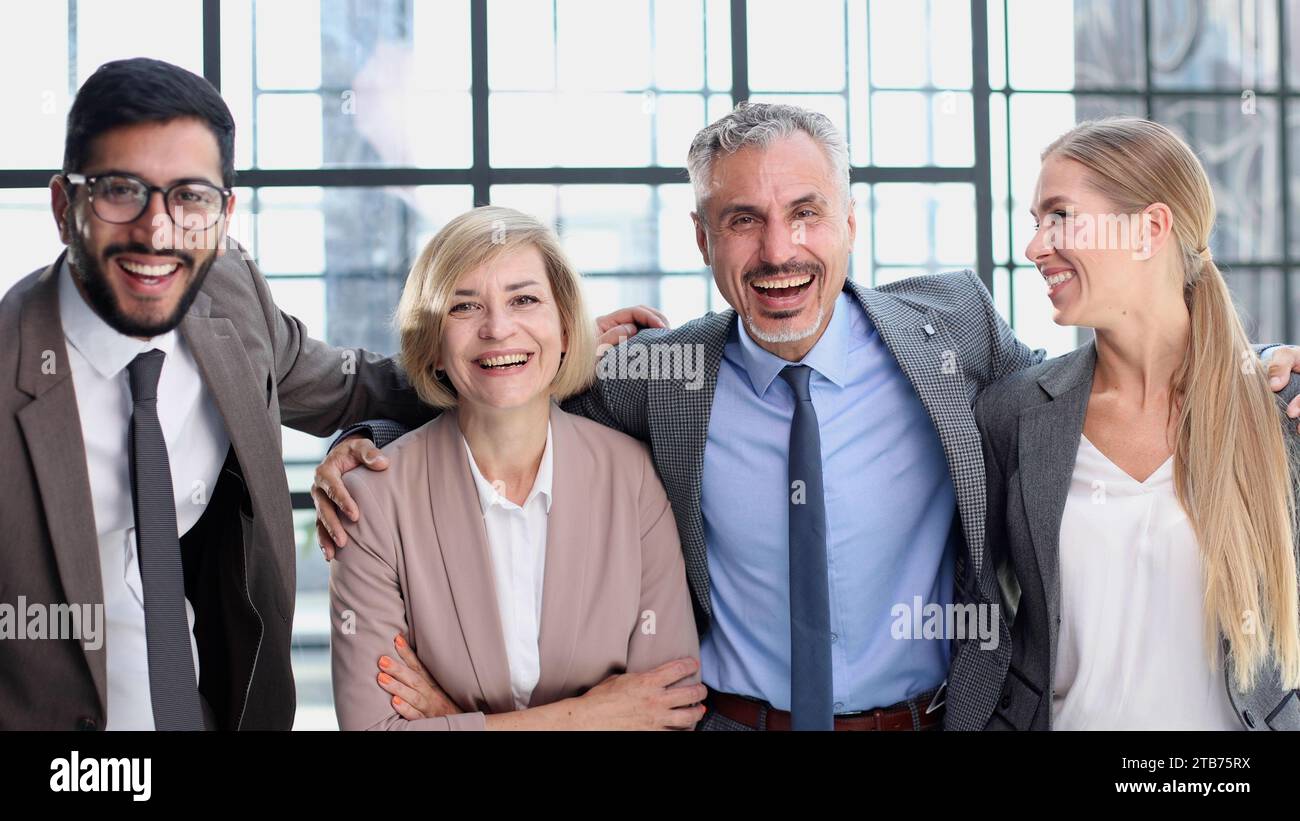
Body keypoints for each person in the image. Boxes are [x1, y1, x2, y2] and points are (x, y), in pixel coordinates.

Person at [314, 103, 1300, 731]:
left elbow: (1092, 374)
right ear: (703, 238)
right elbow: (501, 382)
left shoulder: (953, 327)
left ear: (849, 220)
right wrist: (371, 445)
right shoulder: (663, 373)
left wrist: (1254, 370)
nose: (777, 247)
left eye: (805, 211)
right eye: (741, 219)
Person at [0, 57, 447, 730]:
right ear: (66, 207)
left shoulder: (231, 297)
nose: (158, 232)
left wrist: (543, 354)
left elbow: (362, 388)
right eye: (122, 190)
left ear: (224, 212)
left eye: (190, 197)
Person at [967, 117, 1300, 730]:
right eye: (1035, 221)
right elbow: (977, 621)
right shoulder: (1014, 414)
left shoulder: (1281, 413)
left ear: (1149, 229)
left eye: (1059, 216)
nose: (1035, 247)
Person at [328, 206, 702, 730]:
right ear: (433, 344)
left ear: (568, 329)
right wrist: (592, 716)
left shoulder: (632, 475)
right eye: (464, 307)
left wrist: (452, 719)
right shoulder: (372, 500)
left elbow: (669, 712)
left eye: (524, 299)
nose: (498, 328)